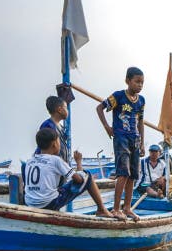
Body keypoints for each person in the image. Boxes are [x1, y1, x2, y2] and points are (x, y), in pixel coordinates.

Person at [24, 128, 113, 217]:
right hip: (48, 204)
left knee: (56, 189)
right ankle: (102, 209)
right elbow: (79, 180)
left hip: (30, 203)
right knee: (88, 175)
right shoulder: (55, 160)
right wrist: (78, 162)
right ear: (55, 144)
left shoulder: (30, 161)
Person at [96, 66, 146, 220]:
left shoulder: (141, 101)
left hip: (134, 139)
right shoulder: (118, 96)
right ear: (128, 81)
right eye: (137, 82)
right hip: (121, 138)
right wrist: (107, 127)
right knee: (123, 173)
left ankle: (127, 208)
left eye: (142, 83)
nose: (140, 85)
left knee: (133, 175)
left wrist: (142, 142)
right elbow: (100, 108)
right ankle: (116, 208)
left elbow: (140, 122)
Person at [36, 96, 71, 163]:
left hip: (61, 166)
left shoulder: (61, 127)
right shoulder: (48, 126)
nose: (67, 111)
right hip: (52, 166)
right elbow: (44, 149)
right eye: (66, 107)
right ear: (59, 109)